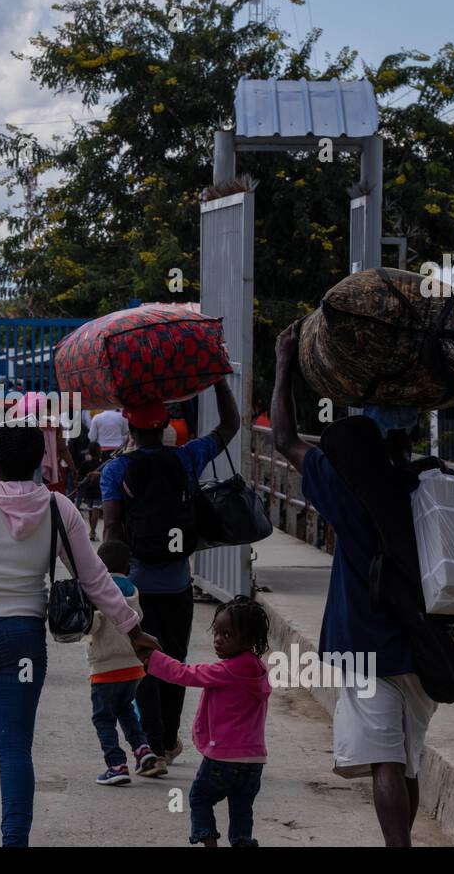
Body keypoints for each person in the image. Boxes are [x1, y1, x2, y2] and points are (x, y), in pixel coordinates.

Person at [0, 424, 160, 846]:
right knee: (14, 750)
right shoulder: (58, 508)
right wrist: (133, 629)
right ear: (40, 462)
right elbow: (94, 578)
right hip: (21, 639)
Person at [270, 320, 435, 847]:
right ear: (412, 432)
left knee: (384, 760)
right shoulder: (434, 481)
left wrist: (283, 364)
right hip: (426, 641)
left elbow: (284, 439)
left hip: (365, 640)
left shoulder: (339, 482)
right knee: (407, 760)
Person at [101, 380, 241, 769]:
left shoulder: (116, 471)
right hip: (178, 581)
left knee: (145, 661)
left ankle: (151, 745)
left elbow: (112, 532)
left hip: (139, 584)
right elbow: (231, 425)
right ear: (165, 425)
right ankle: (166, 742)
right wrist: (220, 384)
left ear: (129, 429)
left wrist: (112, 586)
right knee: (175, 660)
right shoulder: (187, 458)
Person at [140, 596, 272, 847]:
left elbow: (184, 674)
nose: (218, 639)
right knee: (242, 809)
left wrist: (153, 658)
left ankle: (209, 842)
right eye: (217, 632)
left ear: (248, 641)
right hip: (255, 761)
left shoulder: (226, 671)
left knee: (200, 798)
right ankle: (242, 842)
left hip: (223, 757)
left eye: (227, 635)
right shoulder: (259, 670)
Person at [86, 540, 158, 785]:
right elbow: (139, 618)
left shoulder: (99, 588)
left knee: (103, 718)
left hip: (106, 668)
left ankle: (116, 765)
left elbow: (94, 624)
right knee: (126, 710)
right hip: (132, 667)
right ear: (128, 566)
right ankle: (143, 750)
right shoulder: (131, 588)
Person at [76, 441, 103, 541]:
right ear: (99, 452)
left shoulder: (85, 464)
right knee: (96, 509)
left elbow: (79, 476)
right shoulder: (102, 464)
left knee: (91, 510)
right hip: (98, 490)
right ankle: (92, 531)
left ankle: (93, 532)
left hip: (88, 490)